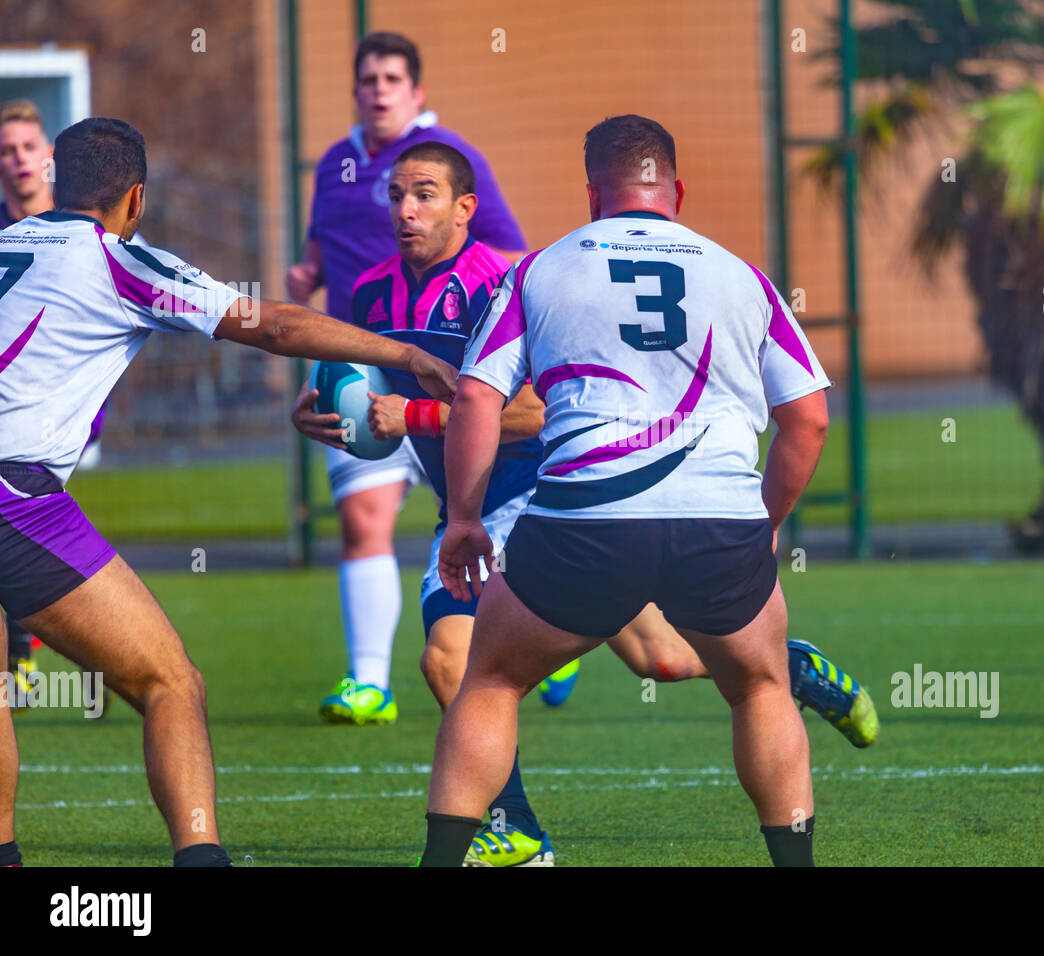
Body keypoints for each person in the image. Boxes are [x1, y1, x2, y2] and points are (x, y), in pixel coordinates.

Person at [0, 117, 457, 867]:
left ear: (56, 180)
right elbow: (272, 326)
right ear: (136, 198)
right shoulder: (120, 261)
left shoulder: (6, 243)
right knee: (169, 681)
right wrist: (405, 353)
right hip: (16, 499)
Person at [420, 114, 837, 867]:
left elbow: (478, 400)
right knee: (762, 687)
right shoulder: (742, 276)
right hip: (720, 524)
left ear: (592, 196)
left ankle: (444, 862)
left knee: (490, 679)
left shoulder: (541, 269)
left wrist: (465, 520)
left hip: (584, 522)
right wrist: (766, 521)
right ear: (675, 190)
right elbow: (807, 420)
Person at [284, 32, 529, 725]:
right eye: (368, 78)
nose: (405, 210)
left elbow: (511, 254)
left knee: (655, 655)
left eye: (393, 77)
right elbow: (316, 257)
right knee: (365, 523)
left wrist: (454, 288)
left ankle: (537, 625)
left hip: (478, 403)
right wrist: (308, 282)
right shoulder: (333, 163)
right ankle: (369, 682)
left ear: (416, 91)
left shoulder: (456, 162)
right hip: (367, 362)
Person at [0, 98, 112, 714]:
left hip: (63, 424)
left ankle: (81, 662)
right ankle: (26, 660)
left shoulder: (96, 238)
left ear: (50, 160)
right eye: (6, 151)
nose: (18, 161)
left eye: (27, 149)